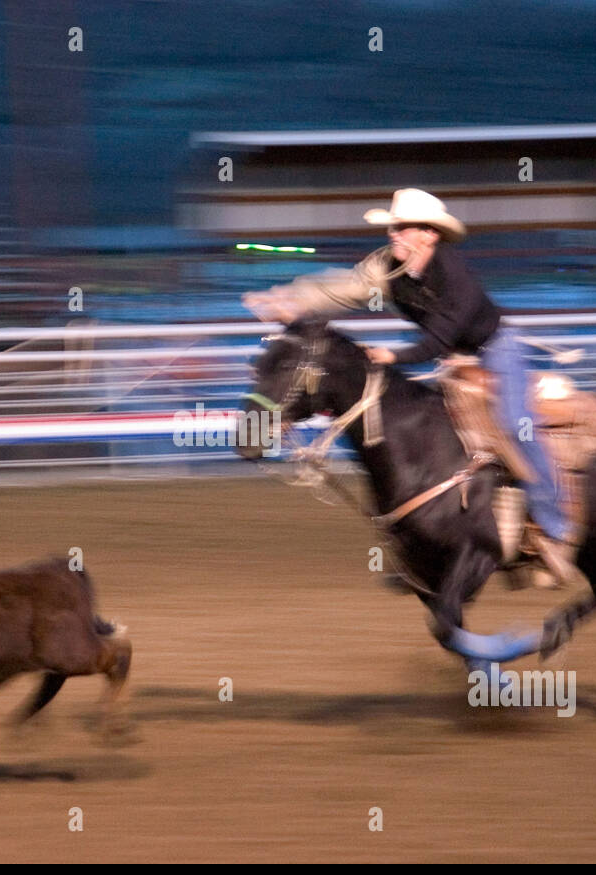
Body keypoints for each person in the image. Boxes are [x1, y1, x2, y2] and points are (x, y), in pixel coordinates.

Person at [242, 188, 577, 586]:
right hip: (453, 355)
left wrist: (392, 357)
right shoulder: (388, 268)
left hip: (494, 348)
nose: (394, 234)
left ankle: (557, 527)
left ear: (429, 234)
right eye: (393, 227)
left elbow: (436, 340)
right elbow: (345, 287)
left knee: (514, 419)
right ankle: (438, 540)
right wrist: (291, 298)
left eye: (403, 228)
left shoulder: (457, 278)